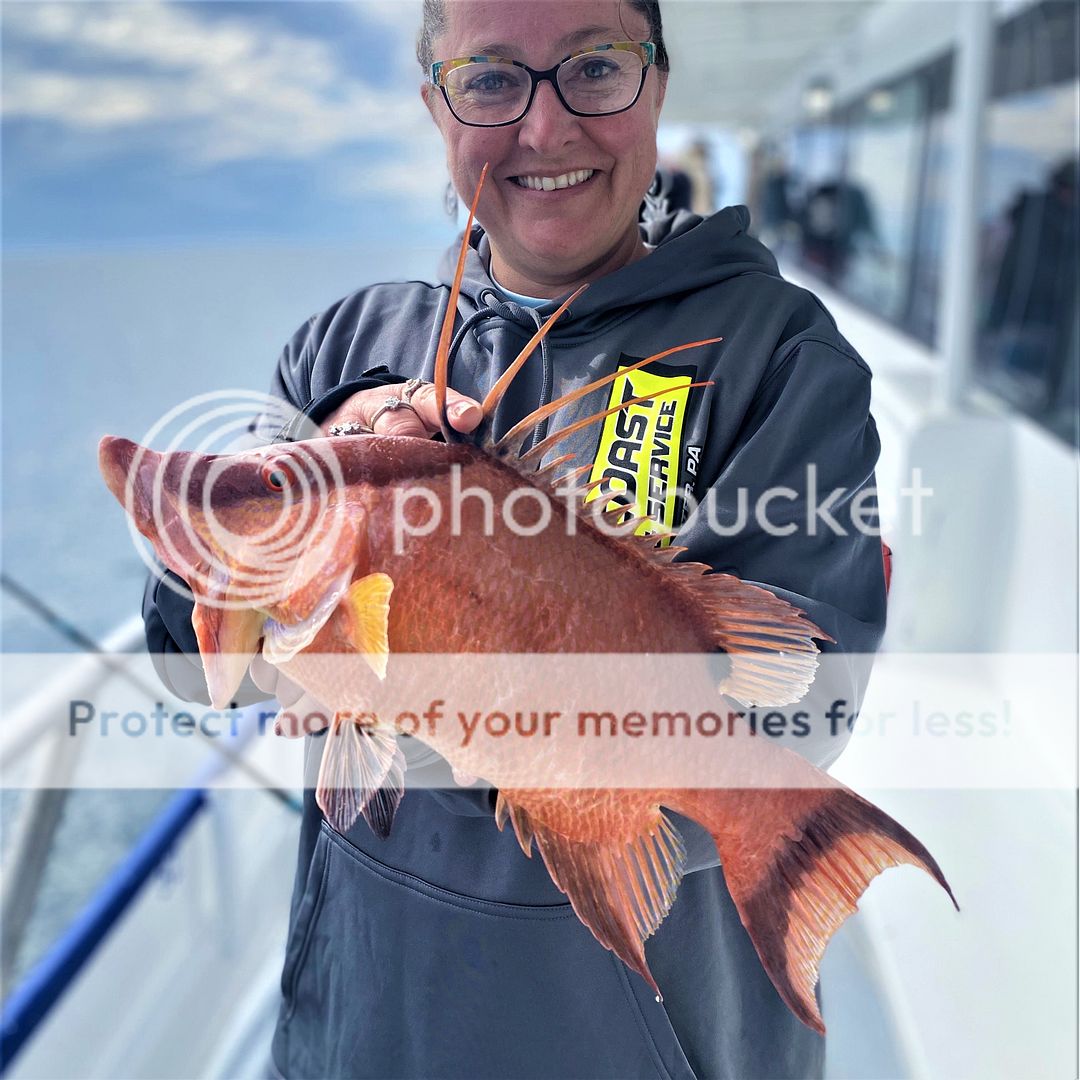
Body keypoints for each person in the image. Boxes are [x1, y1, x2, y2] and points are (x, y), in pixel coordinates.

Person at [143, 1, 887, 1076]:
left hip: (644, 1033)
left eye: (593, 68)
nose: (545, 130)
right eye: (491, 79)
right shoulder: (342, 348)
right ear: (436, 104)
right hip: (370, 1024)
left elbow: (801, 718)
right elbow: (186, 659)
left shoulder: (776, 356)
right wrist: (312, 510)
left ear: (658, 83)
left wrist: (414, 667)